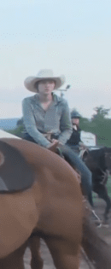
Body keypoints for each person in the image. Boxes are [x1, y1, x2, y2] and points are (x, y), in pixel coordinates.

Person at [21, 69, 93, 204]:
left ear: (54, 85)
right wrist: (47, 144)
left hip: (57, 140)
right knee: (18, 168)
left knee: (86, 174)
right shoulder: (28, 102)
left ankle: (86, 206)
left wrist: (58, 142)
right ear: (37, 86)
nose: (47, 85)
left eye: (50, 82)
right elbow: (30, 127)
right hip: (32, 139)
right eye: (43, 82)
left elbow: (67, 128)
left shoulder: (62, 103)